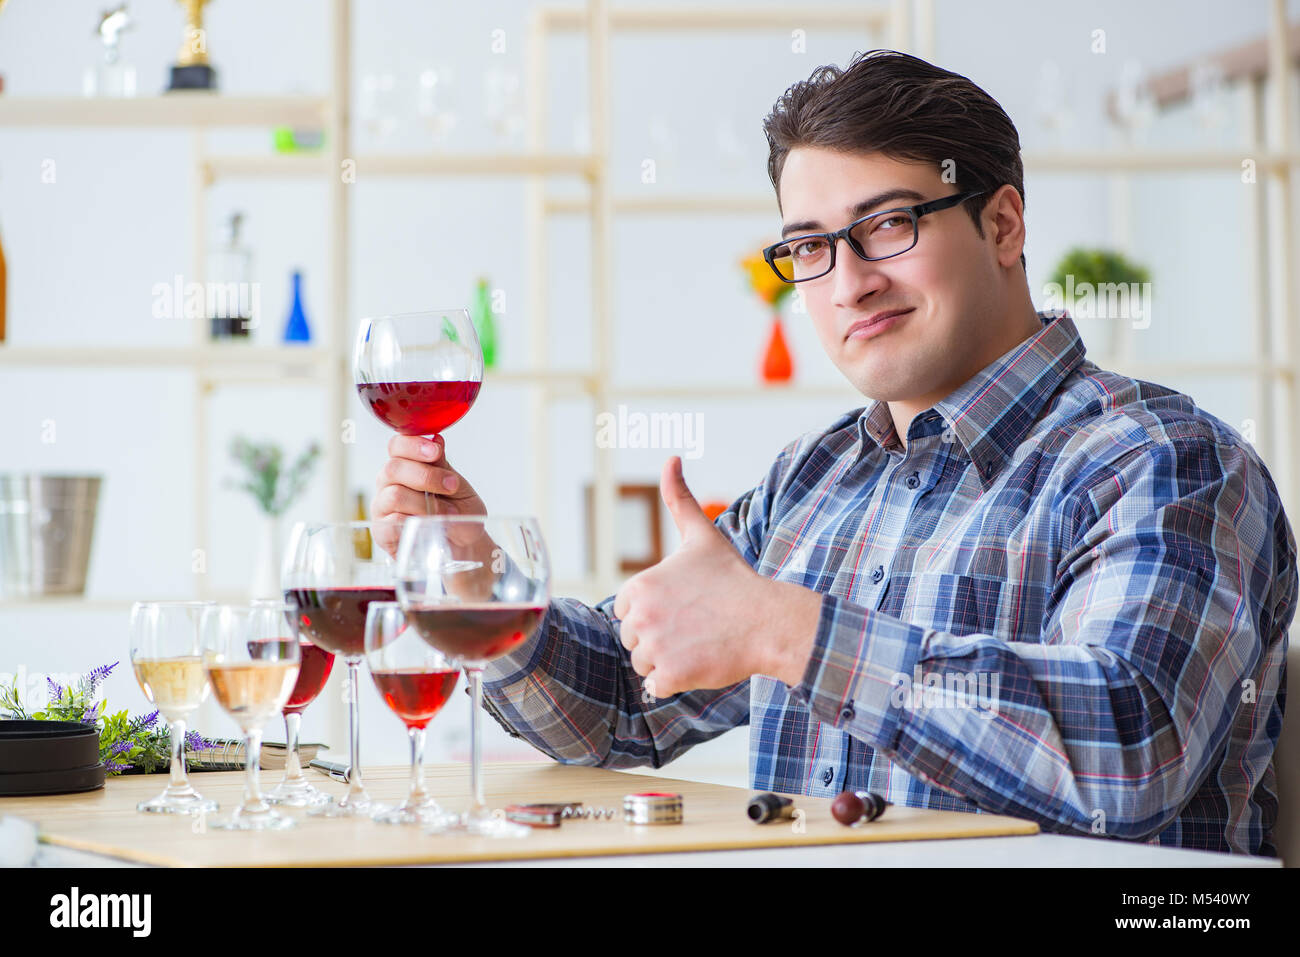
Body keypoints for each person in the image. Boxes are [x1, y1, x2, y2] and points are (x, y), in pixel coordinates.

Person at [373, 50, 1295, 856]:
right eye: (810, 246)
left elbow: (1131, 745)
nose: (849, 283)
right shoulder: (811, 480)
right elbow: (619, 699)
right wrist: (477, 578)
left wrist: (789, 631)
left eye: (889, 224)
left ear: (1004, 225)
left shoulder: (1164, 460)